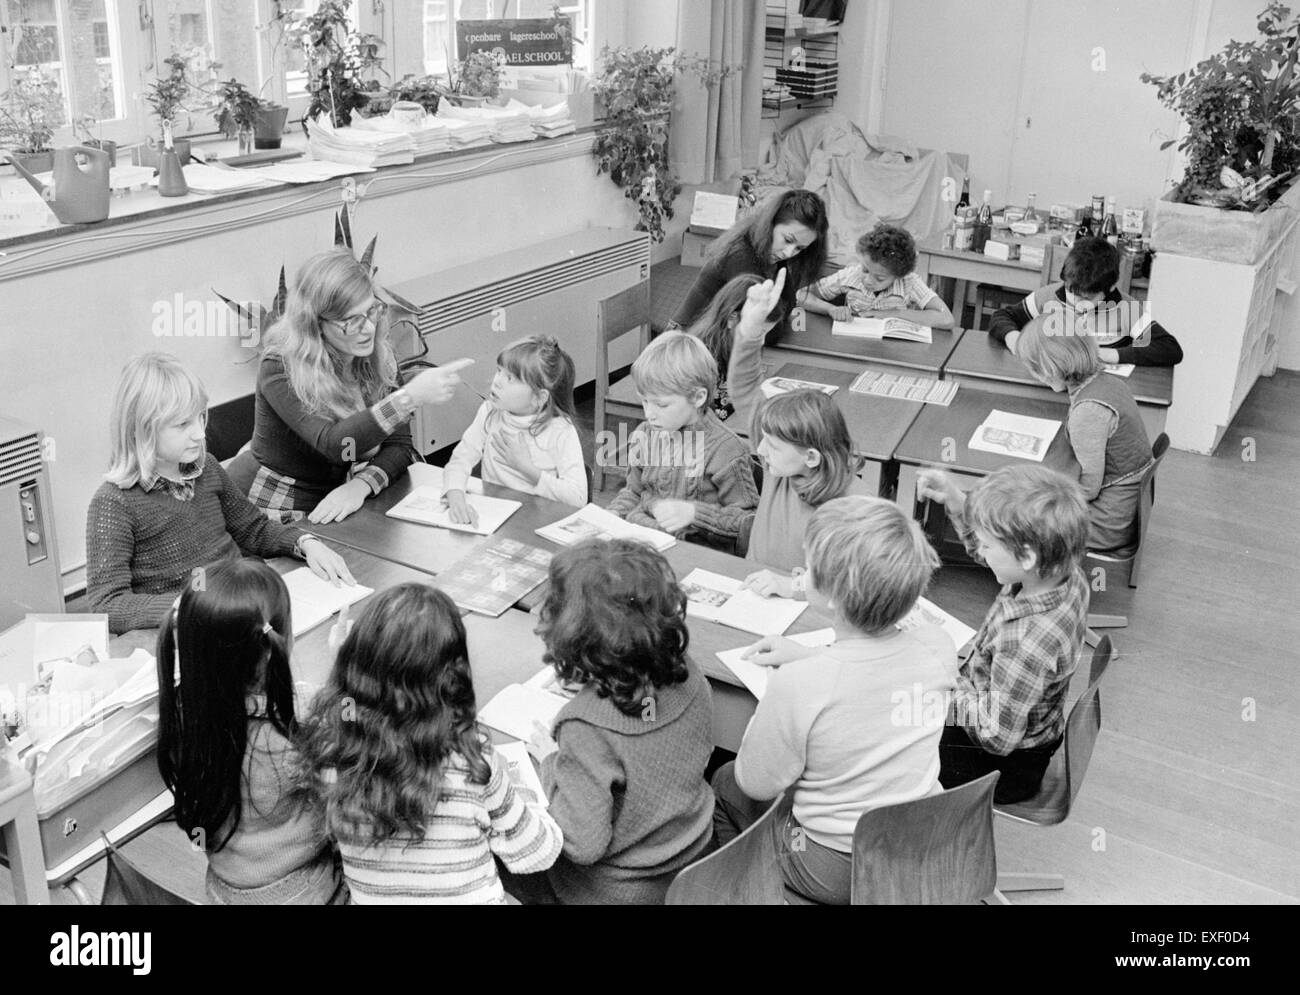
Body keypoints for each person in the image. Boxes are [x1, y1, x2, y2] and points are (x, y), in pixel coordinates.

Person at [713, 496, 954, 904]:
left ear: (835, 599)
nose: (801, 574)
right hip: (914, 841)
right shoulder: (937, 645)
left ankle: (742, 891)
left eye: (808, 569)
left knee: (723, 780)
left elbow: (755, 783)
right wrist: (808, 658)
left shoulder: (800, 684)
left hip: (830, 864)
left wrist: (783, 687)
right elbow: (869, 676)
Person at [298, 583, 563, 904]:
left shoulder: (331, 750)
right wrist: (522, 796)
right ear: (453, 675)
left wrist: (344, 666)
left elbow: (344, 710)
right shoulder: (471, 759)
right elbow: (538, 852)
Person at [86, 352, 352, 634]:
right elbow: (107, 604)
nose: (200, 433)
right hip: (189, 633)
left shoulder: (207, 469)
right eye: (182, 425)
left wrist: (306, 542)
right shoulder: (114, 503)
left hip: (242, 608)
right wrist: (187, 607)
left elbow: (255, 529)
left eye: (200, 417)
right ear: (142, 430)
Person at [525, 539, 715, 904]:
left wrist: (552, 764)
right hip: (693, 859)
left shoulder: (586, 726)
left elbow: (582, 844)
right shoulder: (689, 673)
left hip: (618, 891)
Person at [156, 558, 345, 904]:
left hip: (223, 891)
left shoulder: (187, 725)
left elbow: (198, 835)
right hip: (304, 892)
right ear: (276, 646)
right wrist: (344, 677)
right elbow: (349, 802)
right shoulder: (288, 745)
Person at [243, 248, 469, 524]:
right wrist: (407, 398)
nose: (368, 329)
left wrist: (360, 486)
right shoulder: (279, 366)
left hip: (340, 495)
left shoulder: (376, 355)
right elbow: (336, 443)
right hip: (279, 503)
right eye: (350, 321)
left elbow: (400, 446)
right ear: (315, 324)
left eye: (371, 311)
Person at [916, 464, 1090, 804]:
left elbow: (997, 736)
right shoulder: (1061, 572)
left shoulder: (1026, 643)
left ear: (1026, 556)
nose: (980, 552)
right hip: (1013, 723)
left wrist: (944, 690)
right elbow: (1002, 558)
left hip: (999, 767)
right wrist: (956, 502)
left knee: (894, 732)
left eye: (985, 545)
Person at [722, 269, 868, 591]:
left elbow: (858, 587)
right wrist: (749, 330)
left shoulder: (853, 506)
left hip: (807, 616)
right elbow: (745, 391)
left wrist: (792, 589)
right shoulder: (783, 467)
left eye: (772, 446)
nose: (759, 451)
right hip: (754, 593)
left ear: (812, 456)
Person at [605, 332, 758, 548]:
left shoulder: (727, 450)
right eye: (645, 401)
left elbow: (747, 524)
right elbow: (634, 492)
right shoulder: (645, 434)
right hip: (644, 542)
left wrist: (695, 514)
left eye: (661, 405)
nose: (649, 414)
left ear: (698, 397)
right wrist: (613, 514)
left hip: (695, 553)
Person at [1016, 315, 1153, 554]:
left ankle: (1022, 583)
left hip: (1106, 522)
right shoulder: (1107, 382)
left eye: (1037, 369)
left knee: (1021, 518)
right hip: (1123, 507)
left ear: (1054, 367)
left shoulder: (1088, 410)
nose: (1036, 376)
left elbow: (1088, 490)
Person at [443, 335, 586, 525]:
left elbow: (577, 497)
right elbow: (460, 460)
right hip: (495, 520)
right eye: (499, 371)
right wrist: (456, 496)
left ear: (539, 398)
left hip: (540, 523)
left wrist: (527, 468)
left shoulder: (561, 430)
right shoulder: (490, 412)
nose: (497, 381)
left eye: (510, 378)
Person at [988, 237, 1183, 366]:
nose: (1077, 303)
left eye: (1088, 298)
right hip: (1054, 383)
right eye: (1072, 293)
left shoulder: (1126, 309)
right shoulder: (1049, 296)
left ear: (1112, 286)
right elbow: (1002, 317)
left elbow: (1170, 348)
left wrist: (1110, 355)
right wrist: (1015, 340)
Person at [670, 189, 829, 333]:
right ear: (771, 224)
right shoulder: (739, 255)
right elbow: (769, 327)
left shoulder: (772, 253)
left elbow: (787, 308)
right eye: (788, 240)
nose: (789, 253)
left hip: (711, 337)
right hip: (685, 341)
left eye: (799, 248)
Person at [801, 223, 955, 328]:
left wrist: (893, 314)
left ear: (898, 276)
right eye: (866, 270)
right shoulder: (852, 275)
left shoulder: (910, 282)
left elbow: (946, 319)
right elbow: (801, 296)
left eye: (880, 278)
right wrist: (830, 309)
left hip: (894, 351)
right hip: (854, 345)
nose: (868, 280)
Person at [684, 273, 766, 423]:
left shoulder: (733, 338)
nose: (762, 340)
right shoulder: (705, 354)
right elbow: (710, 413)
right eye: (761, 330)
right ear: (732, 319)